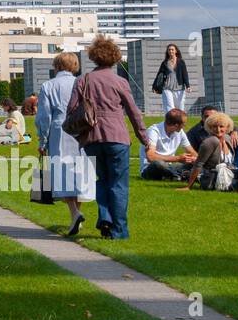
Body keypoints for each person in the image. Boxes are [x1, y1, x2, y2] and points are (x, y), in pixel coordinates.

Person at [65, 35, 148, 240]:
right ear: (115, 58)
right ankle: (118, 230)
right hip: (117, 137)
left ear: (94, 57)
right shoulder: (120, 81)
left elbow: (72, 112)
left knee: (102, 180)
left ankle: (106, 219)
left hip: (92, 138)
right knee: (118, 184)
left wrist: (80, 136)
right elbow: (133, 112)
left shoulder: (82, 80)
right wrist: (145, 139)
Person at [35, 51, 95, 235]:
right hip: (82, 129)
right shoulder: (84, 83)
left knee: (62, 173)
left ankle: (74, 213)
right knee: (80, 172)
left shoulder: (49, 85)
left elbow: (44, 117)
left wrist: (42, 139)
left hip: (59, 130)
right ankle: (77, 214)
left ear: (57, 65)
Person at [139, 109, 198, 181]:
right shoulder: (153, 131)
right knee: (158, 164)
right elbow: (151, 157)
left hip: (170, 166)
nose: (185, 126)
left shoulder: (180, 132)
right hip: (151, 167)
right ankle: (182, 176)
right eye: (184, 124)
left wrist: (197, 160)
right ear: (176, 125)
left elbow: (190, 150)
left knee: (193, 163)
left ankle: (177, 176)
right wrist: (178, 158)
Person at [152, 44, 191, 113]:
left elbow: (185, 74)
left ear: (176, 51)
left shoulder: (181, 62)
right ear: (167, 52)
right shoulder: (164, 63)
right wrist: (154, 86)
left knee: (180, 109)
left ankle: (179, 123)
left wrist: (188, 86)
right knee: (170, 108)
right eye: (169, 50)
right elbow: (158, 75)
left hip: (179, 89)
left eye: (172, 49)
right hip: (167, 88)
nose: (170, 51)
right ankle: (170, 122)